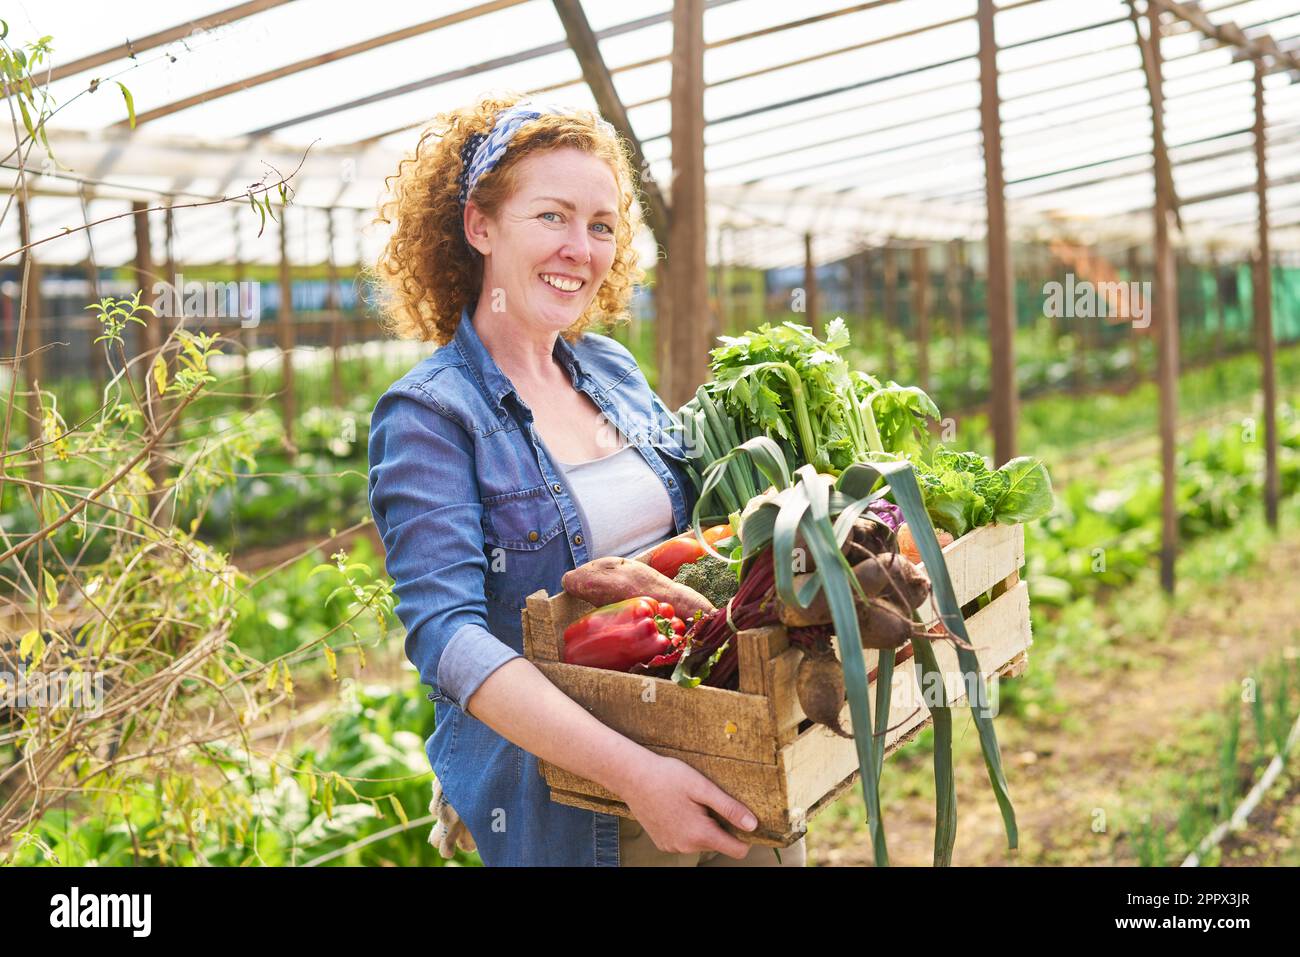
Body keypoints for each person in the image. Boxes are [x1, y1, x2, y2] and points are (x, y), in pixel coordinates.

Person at [366, 92, 807, 867]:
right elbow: (448, 638)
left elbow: (699, 531)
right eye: (552, 217)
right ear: (479, 225)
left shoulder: (610, 368)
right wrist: (639, 777)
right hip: (582, 804)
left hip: (725, 749)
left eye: (601, 225)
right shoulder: (430, 415)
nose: (581, 246)